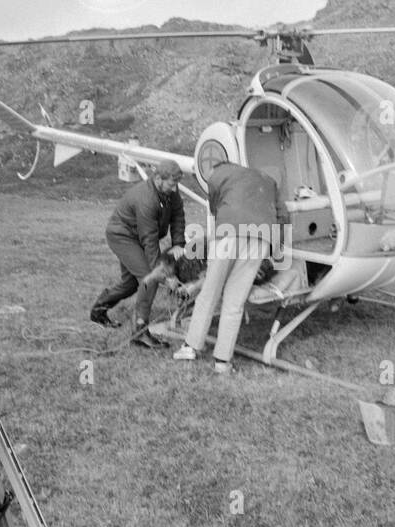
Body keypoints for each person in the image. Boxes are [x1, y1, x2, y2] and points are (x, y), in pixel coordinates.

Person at [173, 161, 288, 374]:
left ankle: (191, 347)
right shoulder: (268, 180)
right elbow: (284, 216)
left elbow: (215, 207)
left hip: (228, 232)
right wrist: (275, 249)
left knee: (209, 292)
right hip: (260, 237)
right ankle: (222, 362)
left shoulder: (217, 175)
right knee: (235, 301)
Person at [89, 159, 187, 347]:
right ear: (158, 178)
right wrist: (164, 274)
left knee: (130, 284)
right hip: (123, 236)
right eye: (171, 184)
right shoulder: (146, 199)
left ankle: (99, 309)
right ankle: (140, 332)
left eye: (176, 185)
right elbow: (149, 242)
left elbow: (178, 215)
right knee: (147, 279)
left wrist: (178, 244)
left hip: (138, 236)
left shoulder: (171, 192)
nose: (175, 189)